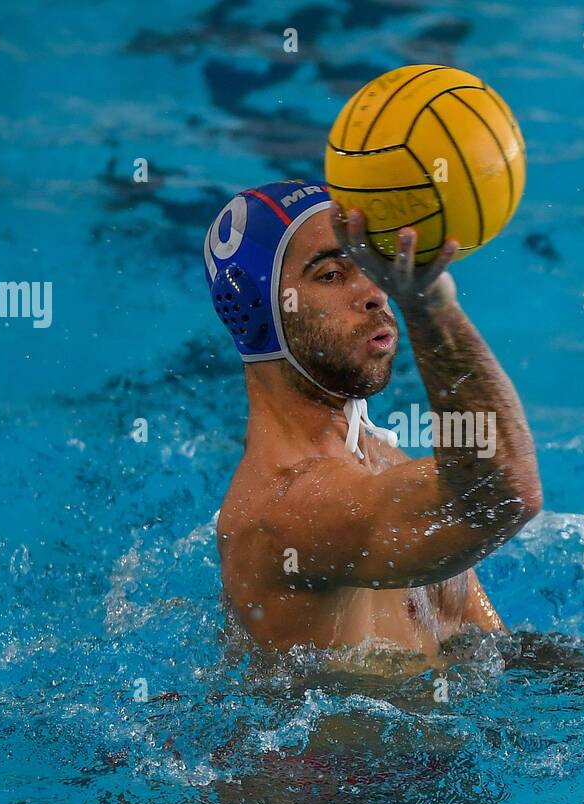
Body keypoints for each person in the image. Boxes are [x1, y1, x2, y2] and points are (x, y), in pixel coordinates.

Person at [203, 180, 541, 656]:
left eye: (368, 263)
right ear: (255, 310)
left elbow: (493, 650)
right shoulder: (284, 512)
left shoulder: (376, 456)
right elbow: (505, 495)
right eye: (332, 275)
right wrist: (429, 308)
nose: (376, 292)